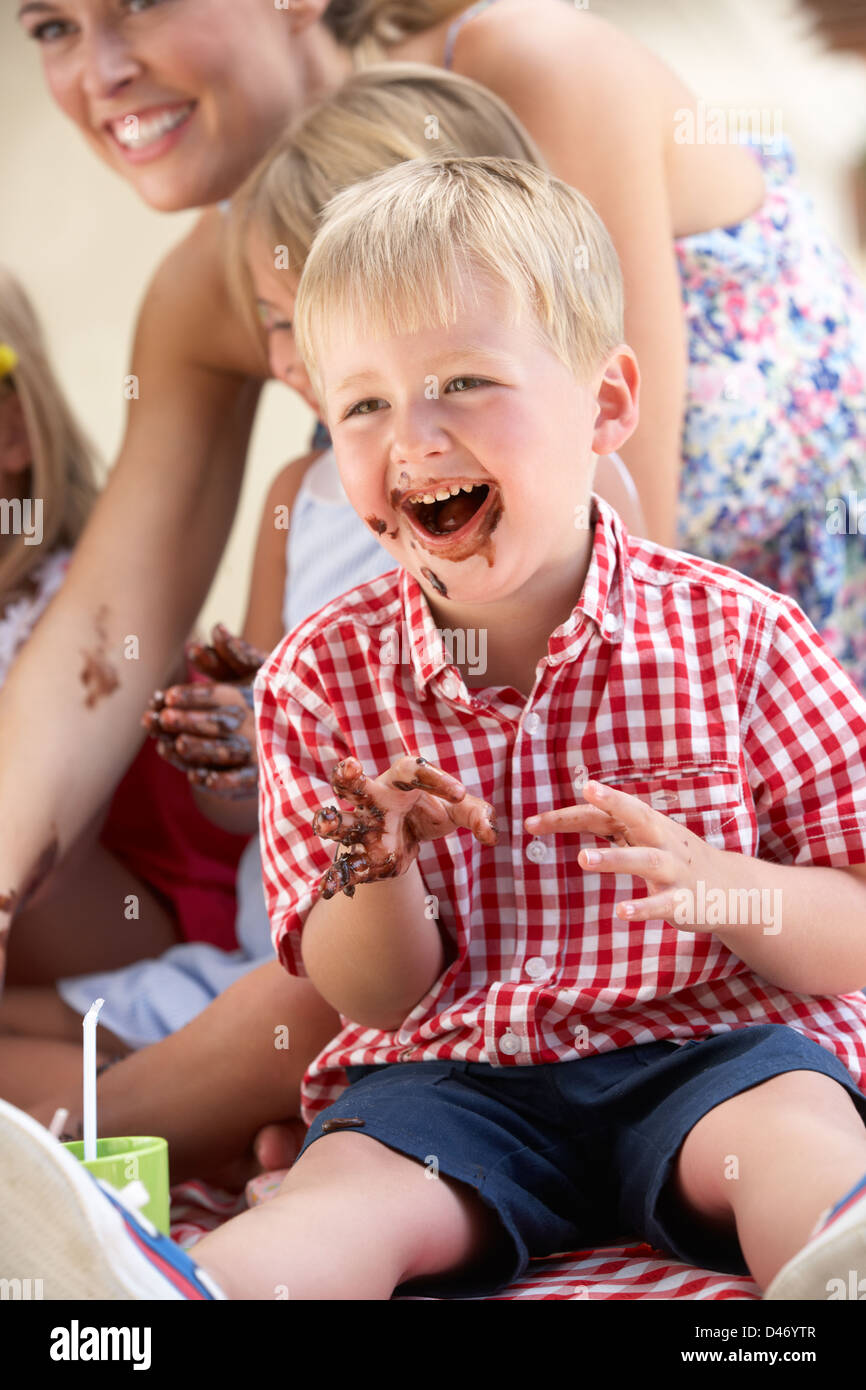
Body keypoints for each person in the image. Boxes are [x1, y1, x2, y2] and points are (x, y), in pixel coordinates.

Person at [5, 155, 866, 1302]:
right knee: (350, 1185)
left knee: (796, 1126)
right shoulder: (322, 675)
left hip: (713, 1051)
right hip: (455, 1077)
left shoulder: (738, 638)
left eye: (461, 381)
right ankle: (181, 1295)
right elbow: (370, 997)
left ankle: (834, 1260)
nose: (409, 438)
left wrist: (722, 886)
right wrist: (375, 872)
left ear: (604, 403)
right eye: (360, 403)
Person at [7, 0, 866, 985]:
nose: (100, 69)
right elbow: (105, 626)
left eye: (140, 3)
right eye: (49, 28)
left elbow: (629, 570)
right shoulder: (209, 285)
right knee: (339, 946)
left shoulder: (530, 74)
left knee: (349, 975)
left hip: (735, 738)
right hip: (523, 797)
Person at [14, 64, 645, 1183]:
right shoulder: (292, 508)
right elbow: (256, 801)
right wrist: (237, 740)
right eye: (271, 323)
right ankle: (155, 1143)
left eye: (308, 314)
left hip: (433, 947)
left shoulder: (570, 502)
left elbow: (552, 736)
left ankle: (120, 1153)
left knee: (301, 1014)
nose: (282, 358)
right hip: (290, 930)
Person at [0, 270, 255, 1097]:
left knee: (19, 816)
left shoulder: (73, 612)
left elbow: (44, 844)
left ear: (12, 429)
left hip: (150, 931)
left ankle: (162, 1095)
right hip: (44, 985)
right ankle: (122, 1105)